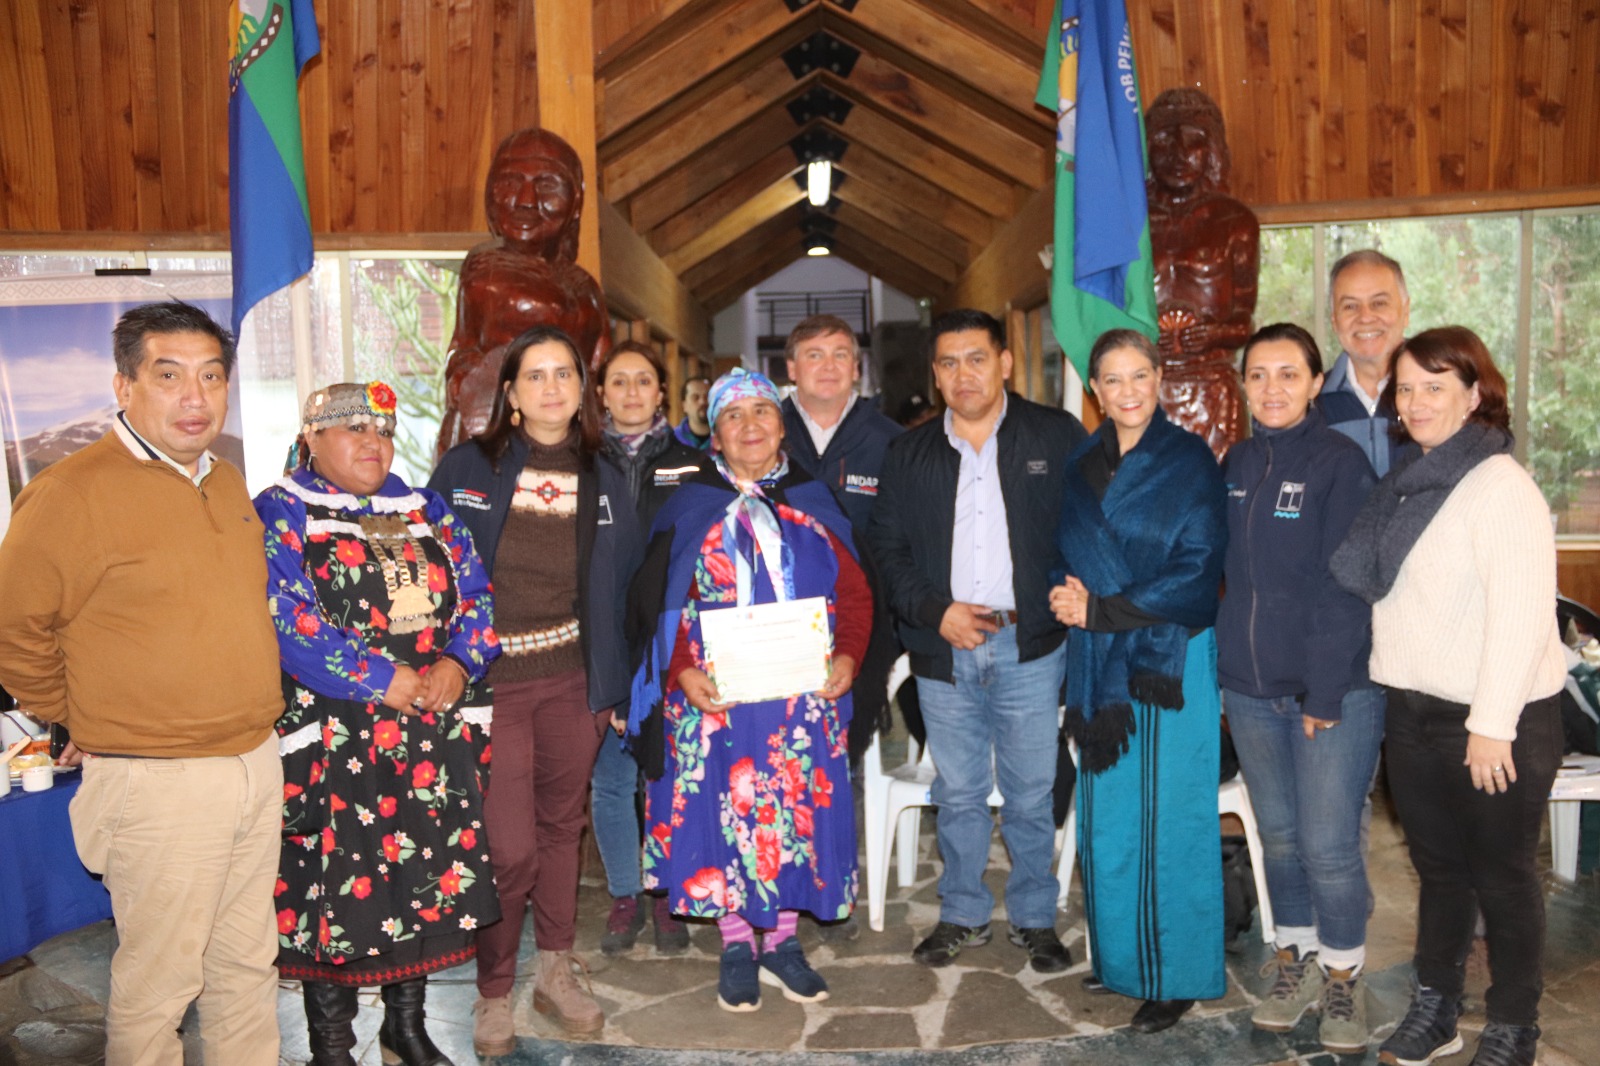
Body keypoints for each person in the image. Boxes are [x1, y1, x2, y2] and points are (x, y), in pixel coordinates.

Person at [0, 301, 284, 1065]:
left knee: (247, 972)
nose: (195, 398)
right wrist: (82, 719)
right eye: (169, 377)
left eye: (211, 376)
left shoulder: (224, 481)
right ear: (124, 387)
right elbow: (14, 635)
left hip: (255, 763)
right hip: (159, 785)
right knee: (161, 987)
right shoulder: (69, 494)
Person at [1331, 327, 1566, 1066]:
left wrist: (1491, 724)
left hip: (1497, 720)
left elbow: (1523, 614)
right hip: (1416, 712)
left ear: (1474, 393)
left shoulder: (1500, 486)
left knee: (1503, 877)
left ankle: (1513, 1026)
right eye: (1406, 388)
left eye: (1435, 386)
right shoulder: (1410, 479)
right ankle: (1438, 1008)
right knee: (1439, 873)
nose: (1416, 401)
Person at [255, 382, 502, 1066]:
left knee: (421, 871)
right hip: (338, 735)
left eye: (383, 431)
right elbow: (287, 615)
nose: (373, 442)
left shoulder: (425, 509)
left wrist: (456, 662)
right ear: (311, 437)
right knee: (336, 883)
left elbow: (477, 596)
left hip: (427, 729)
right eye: (352, 429)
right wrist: (375, 677)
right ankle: (331, 1044)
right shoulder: (283, 511)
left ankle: (406, 1025)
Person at [626, 368, 870, 1012]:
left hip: (799, 703)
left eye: (762, 412)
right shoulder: (686, 507)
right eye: (735, 416)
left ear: (781, 424)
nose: (751, 427)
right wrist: (681, 670)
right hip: (714, 702)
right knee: (719, 815)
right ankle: (736, 943)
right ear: (716, 431)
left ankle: (785, 943)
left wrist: (848, 654)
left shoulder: (814, 501)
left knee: (792, 815)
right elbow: (658, 605)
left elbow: (855, 594)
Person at [429, 325, 641, 1050]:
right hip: (491, 685)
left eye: (565, 375)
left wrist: (617, 686)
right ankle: (493, 991)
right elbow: (432, 576)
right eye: (536, 376)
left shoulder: (607, 470)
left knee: (561, 830)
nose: (552, 387)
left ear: (582, 390)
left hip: (572, 682)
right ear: (511, 395)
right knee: (508, 846)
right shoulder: (467, 466)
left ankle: (553, 969)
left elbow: (624, 587)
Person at [869, 309, 1085, 973]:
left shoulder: (1057, 435)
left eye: (976, 359)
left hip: (1030, 645)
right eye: (948, 363)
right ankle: (961, 912)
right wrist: (937, 613)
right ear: (935, 375)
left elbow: (1089, 528)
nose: (963, 374)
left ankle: (1032, 917)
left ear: (1006, 363)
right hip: (945, 648)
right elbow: (887, 548)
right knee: (957, 795)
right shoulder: (908, 454)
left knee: (1029, 792)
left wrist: (1069, 596)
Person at [1052, 328, 1228, 1034]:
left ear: (1161, 381)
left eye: (1139, 377)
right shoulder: (1079, 465)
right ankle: (1122, 959)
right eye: (1112, 380)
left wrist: (1101, 610)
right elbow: (1061, 551)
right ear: (1095, 390)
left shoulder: (1189, 462)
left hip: (1168, 661)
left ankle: (1175, 972)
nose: (1127, 392)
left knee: (1172, 821)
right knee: (1111, 818)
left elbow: (1198, 569)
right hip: (1100, 669)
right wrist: (1065, 601)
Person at [1214, 324, 1382, 1054]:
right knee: (1278, 840)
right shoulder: (1239, 461)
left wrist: (1322, 694)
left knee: (1327, 844)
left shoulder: (1340, 464)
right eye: (1259, 376)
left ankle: (1344, 972)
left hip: (1331, 691)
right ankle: (1298, 959)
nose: (1272, 388)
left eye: (1289, 374)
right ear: (1243, 384)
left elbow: (1347, 587)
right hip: (1250, 690)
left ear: (1318, 383)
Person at [592, 340, 705, 957]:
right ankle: (625, 894)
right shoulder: (580, 463)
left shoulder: (694, 463)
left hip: (670, 644)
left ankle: (666, 896)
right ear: (602, 393)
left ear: (662, 392)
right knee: (611, 781)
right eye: (618, 382)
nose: (632, 392)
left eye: (643, 381)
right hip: (605, 643)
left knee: (666, 776)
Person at [437, 128, 609, 456]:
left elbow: (602, 371)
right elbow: (463, 351)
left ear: (575, 199)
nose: (527, 201)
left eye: (546, 185)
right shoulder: (485, 269)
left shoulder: (586, 285)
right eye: (510, 183)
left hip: (577, 448)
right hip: (497, 444)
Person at [1146, 87, 1260, 458]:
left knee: (1219, 497)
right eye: (1164, 141)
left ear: (1211, 151)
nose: (1179, 154)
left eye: (1193, 141)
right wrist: (1143, 338)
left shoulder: (1234, 221)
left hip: (1212, 384)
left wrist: (1212, 334)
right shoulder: (1128, 223)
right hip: (1144, 385)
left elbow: (1244, 321)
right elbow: (1104, 312)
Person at [779, 314, 903, 536]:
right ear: (791, 369)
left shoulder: (894, 441)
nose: (829, 366)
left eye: (840, 355)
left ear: (855, 368)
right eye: (815, 355)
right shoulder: (764, 438)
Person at [1318, 249, 1413, 476]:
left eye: (1379, 303)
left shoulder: (1441, 395)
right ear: (1334, 321)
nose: (1366, 317)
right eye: (1350, 306)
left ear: (1405, 312)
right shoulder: (1313, 406)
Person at [674, 375, 712, 450]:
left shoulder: (727, 438)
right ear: (684, 406)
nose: (703, 402)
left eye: (707, 396)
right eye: (695, 397)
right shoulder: (672, 441)